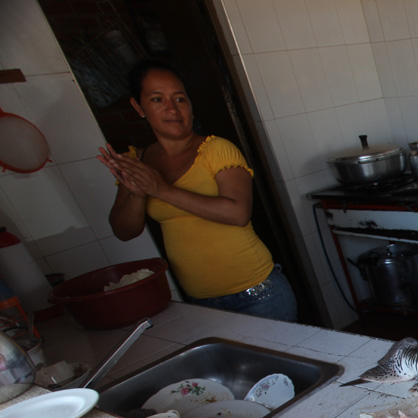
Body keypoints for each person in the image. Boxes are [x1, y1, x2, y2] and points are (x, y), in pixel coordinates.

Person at [96, 61, 298, 322]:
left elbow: (238, 213)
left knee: (283, 364)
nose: (172, 108)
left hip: (257, 294)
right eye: (158, 99)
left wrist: (160, 189)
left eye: (180, 98)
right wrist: (138, 192)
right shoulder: (138, 164)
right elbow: (124, 231)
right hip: (201, 301)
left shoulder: (216, 149)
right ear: (138, 107)